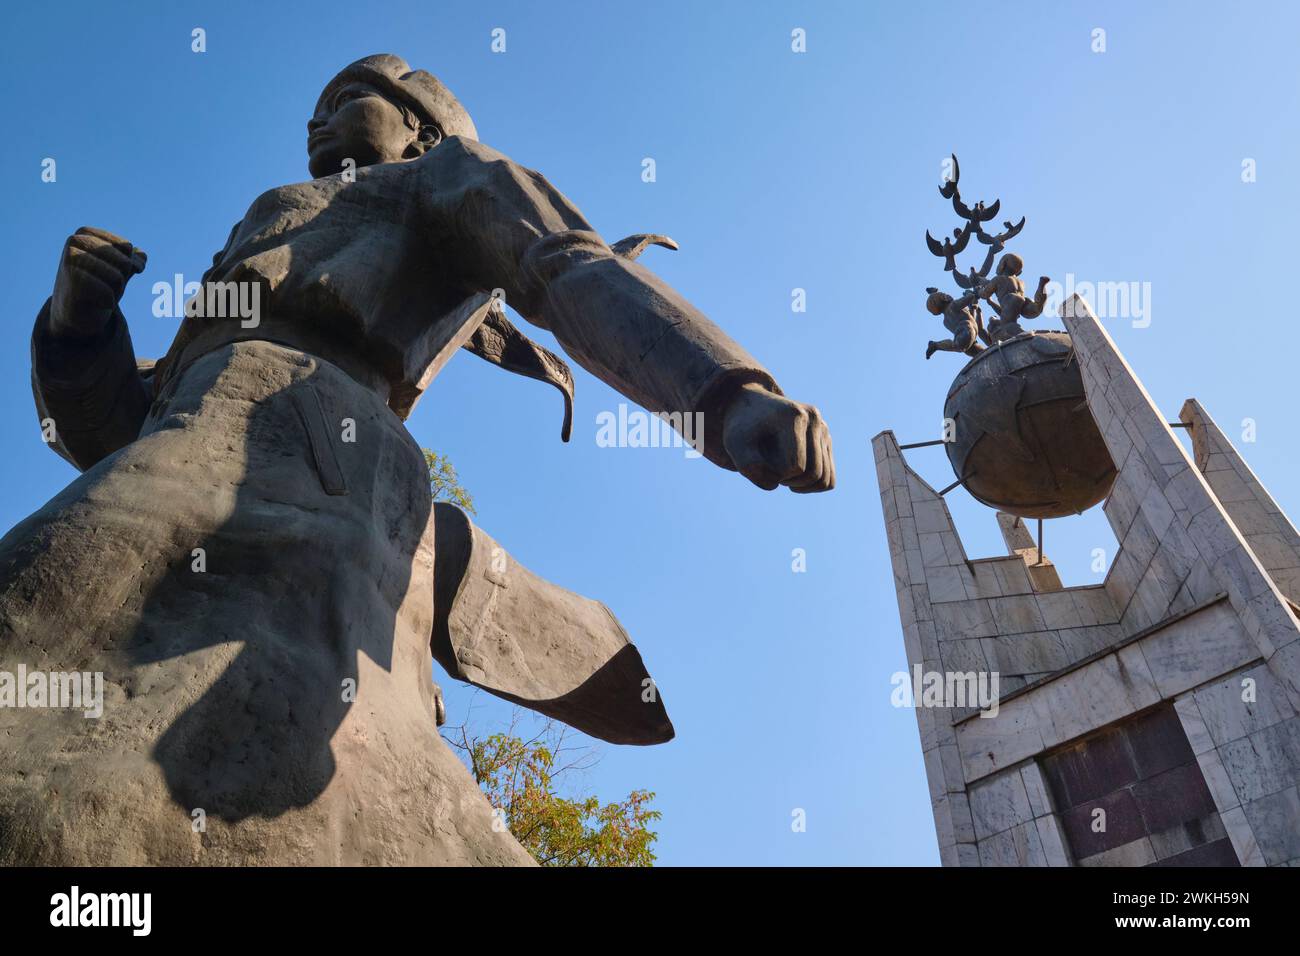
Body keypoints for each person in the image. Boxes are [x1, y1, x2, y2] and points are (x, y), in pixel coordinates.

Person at [0, 55, 835, 865]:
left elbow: (567, 266)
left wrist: (723, 395)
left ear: (423, 132)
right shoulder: (268, 217)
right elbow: (121, 426)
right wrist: (79, 330)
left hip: (327, 464)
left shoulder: (444, 179)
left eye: (348, 96)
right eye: (315, 107)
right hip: (165, 460)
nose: (317, 119)